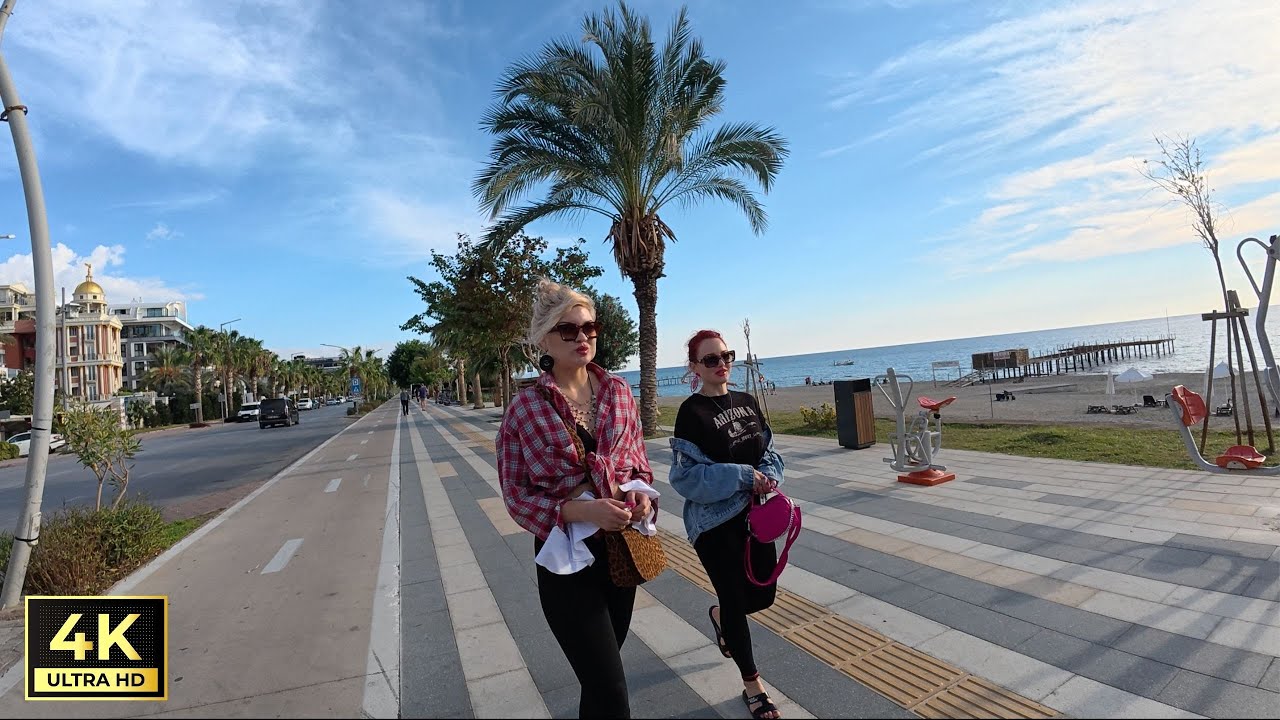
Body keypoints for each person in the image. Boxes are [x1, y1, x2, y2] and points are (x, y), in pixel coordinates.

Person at [497, 279, 655, 719]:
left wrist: (641, 499)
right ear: (544, 339)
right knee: (611, 686)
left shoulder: (620, 393)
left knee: (600, 683)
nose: (583, 337)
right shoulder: (525, 408)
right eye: (569, 330)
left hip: (621, 552)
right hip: (566, 563)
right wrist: (580, 510)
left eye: (590, 327)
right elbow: (515, 493)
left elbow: (638, 465)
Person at [669, 329, 785, 720]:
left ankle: (720, 617)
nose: (722, 365)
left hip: (754, 517)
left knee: (763, 596)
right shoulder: (692, 412)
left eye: (725, 356)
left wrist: (768, 476)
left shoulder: (747, 401)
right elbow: (684, 479)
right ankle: (754, 686)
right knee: (736, 600)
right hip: (715, 523)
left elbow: (769, 454)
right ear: (694, 368)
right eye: (711, 360)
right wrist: (741, 476)